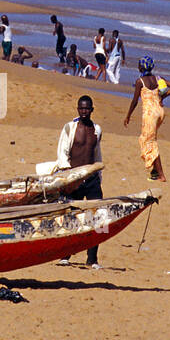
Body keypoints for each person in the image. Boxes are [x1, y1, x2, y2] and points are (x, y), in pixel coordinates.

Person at [55, 95, 103, 269]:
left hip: (91, 180)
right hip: (74, 179)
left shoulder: (97, 129)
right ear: (78, 109)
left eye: (87, 108)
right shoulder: (70, 127)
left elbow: (97, 153)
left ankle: (92, 259)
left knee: (96, 218)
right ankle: (64, 255)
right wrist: (68, 176)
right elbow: (62, 152)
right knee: (70, 217)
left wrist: (98, 174)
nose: (84, 111)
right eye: (81, 108)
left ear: (91, 110)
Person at [123, 57, 170, 181]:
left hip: (150, 115)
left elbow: (134, 101)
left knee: (149, 142)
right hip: (160, 112)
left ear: (141, 67)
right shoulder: (158, 79)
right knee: (151, 139)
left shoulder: (140, 82)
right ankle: (154, 172)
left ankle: (161, 175)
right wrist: (162, 98)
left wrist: (128, 115)